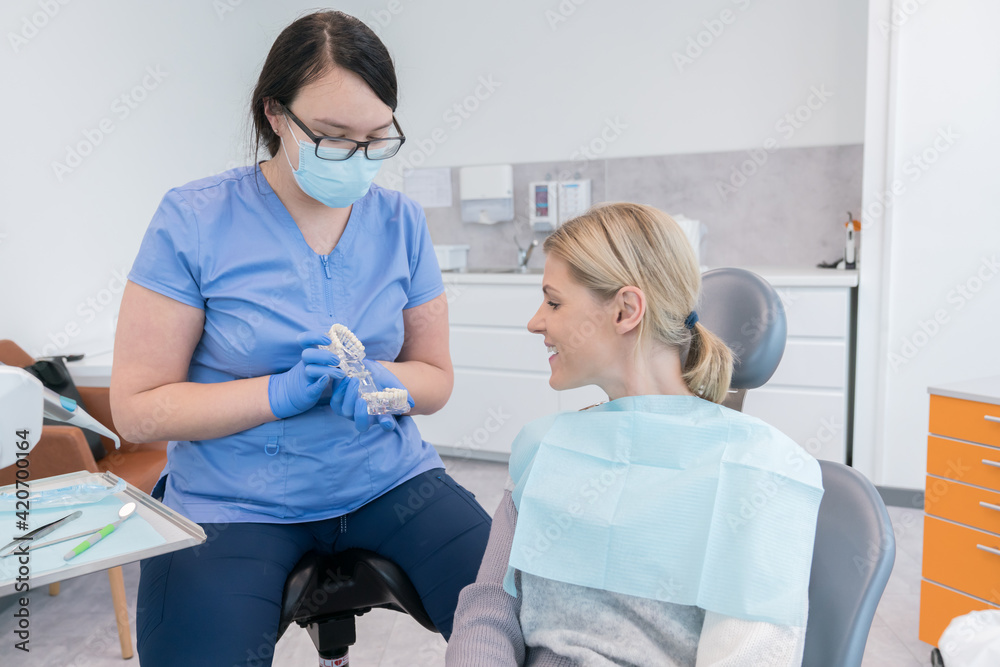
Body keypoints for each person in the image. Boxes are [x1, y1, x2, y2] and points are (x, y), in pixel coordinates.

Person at [111, 11, 491, 666]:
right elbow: (138, 408)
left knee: (536, 622)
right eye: (335, 137)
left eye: (377, 137)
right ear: (276, 115)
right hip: (235, 499)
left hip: (390, 481)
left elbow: (435, 378)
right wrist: (276, 394)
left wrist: (381, 384)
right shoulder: (195, 220)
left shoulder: (400, 222)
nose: (358, 157)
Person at [445, 203, 824, 666]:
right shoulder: (545, 447)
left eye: (554, 302)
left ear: (626, 310)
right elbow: (490, 607)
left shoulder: (759, 474)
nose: (535, 322)